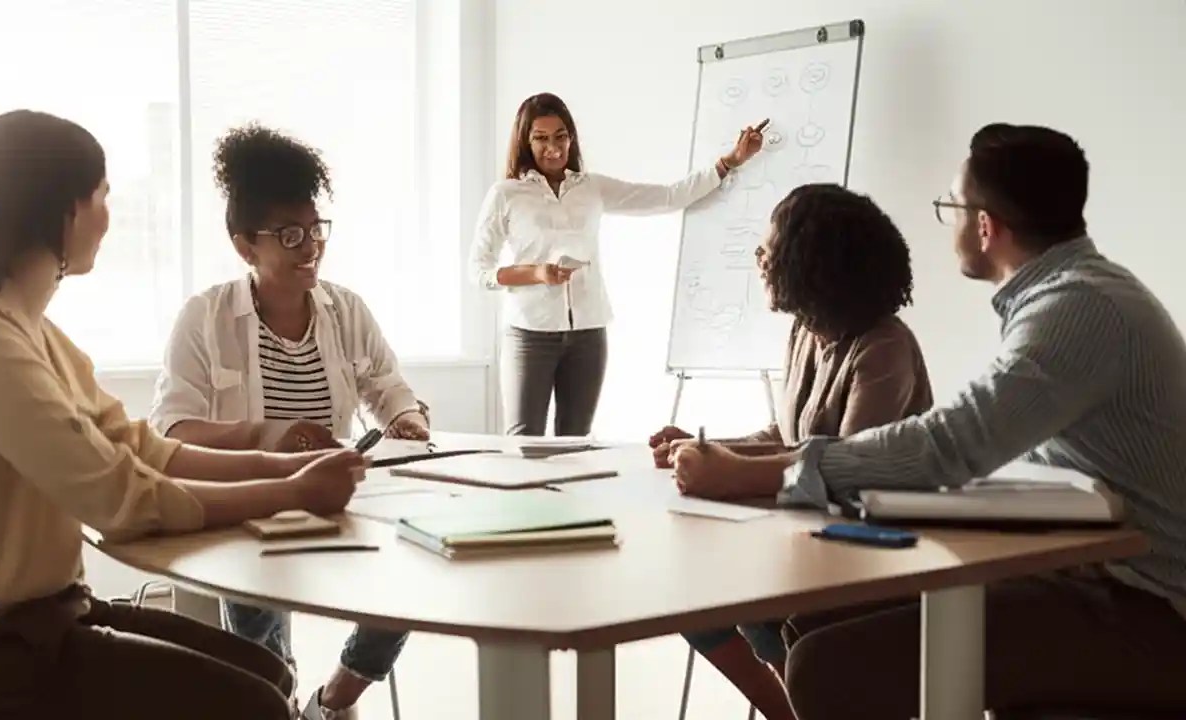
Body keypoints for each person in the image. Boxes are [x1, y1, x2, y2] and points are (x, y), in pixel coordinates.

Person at [671, 123, 1186, 719]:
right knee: (812, 620)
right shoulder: (1074, 296)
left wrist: (751, 474)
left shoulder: (1075, 309)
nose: (949, 222)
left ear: (986, 226)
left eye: (952, 207)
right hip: (1089, 574)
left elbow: (946, 445)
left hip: (1150, 606)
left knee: (825, 665)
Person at [0, 109, 367, 720]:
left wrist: (279, 463)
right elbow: (119, 499)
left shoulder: (31, 331)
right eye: (101, 196)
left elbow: (142, 448)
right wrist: (293, 492)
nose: (108, 216)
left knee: (269, 671)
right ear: (61, 208)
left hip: (45, 616)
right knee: (255, 703)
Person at [149, 123, 423, 719]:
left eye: (316, 229)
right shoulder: (204, 318)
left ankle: (331, 702)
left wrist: (407, 416)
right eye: (290, 235)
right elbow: (171, 432)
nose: (310, 247)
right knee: (263, 660)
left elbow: (387, 387)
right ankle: (278, 700)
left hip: (338, 499)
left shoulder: (345, 309)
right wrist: (263, 435)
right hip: (251, 507)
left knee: (413, 573)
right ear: (245, 245)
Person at [650, 183, 933, 718]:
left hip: (869, 547)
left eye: (769, 246)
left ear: (813, 259)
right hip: (805, 532)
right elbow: (787, 437)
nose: (759, 257)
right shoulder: (805, 331)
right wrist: (707, 447)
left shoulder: (885, 346)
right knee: (689, 591)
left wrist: (728, 469)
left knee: (747, 592)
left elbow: (847, 464)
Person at [470, 92, 767, 437]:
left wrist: (730, 162)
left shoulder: (591, 188)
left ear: (571, 138)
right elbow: (479, 270)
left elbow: (668, 197)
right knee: (524, 441)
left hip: (588, 334)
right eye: (541, 138)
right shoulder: (506, 194)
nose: (553, 147)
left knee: (575, 443)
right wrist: (536, 273)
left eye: (560, 136)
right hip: (529, 334)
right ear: (525, 141)